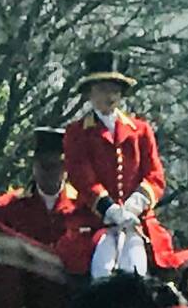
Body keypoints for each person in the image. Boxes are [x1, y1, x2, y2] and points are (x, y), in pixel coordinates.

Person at [62, 51, 176, 280]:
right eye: (103, 89)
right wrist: (110, 209)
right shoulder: (76, 133)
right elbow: (81, 176)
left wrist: (135, 204)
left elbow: (155, 175)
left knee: (139, 269)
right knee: (101, 270)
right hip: (95, 222)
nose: (110, 96)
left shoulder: (141, 130)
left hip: (137, 221)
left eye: (114, 89)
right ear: (90, 93)